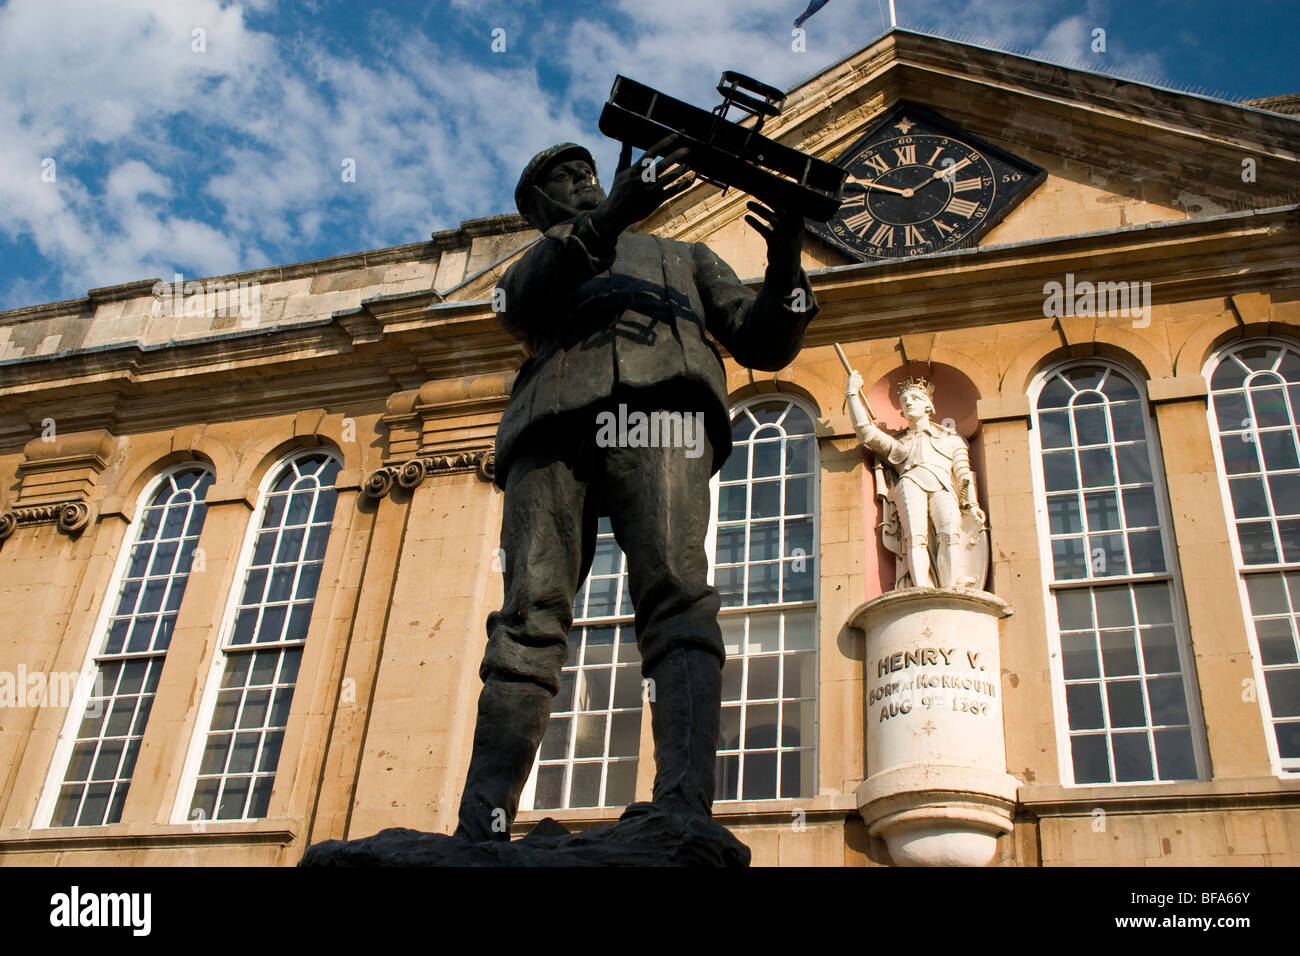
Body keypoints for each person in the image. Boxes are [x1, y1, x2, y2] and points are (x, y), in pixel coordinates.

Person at [453, 136, 818, 843]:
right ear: (539, 206)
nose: (583, 181)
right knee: (527, 617)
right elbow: (521, 305)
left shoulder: (681, 257)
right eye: (565, 178)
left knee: (678, 594)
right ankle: (483, 820)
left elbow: (765, 342)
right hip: (552, 425)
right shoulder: (536, 263)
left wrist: (785, 263)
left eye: (587, 172)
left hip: (664, 418)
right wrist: (610, 218)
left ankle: (684, 801)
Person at [845, 370, 986, 590]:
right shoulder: (899, 444)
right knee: (915, 538)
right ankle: (921, 588)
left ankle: (949, 588)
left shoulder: (951, 439)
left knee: (949, 534)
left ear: (929, 406)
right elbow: (866, 433)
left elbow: (964, 474)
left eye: (916, 398)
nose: (909, 402)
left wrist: (973, 503)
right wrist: (852, 394)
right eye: (904, 400)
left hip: (943, 487)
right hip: (910, 484)